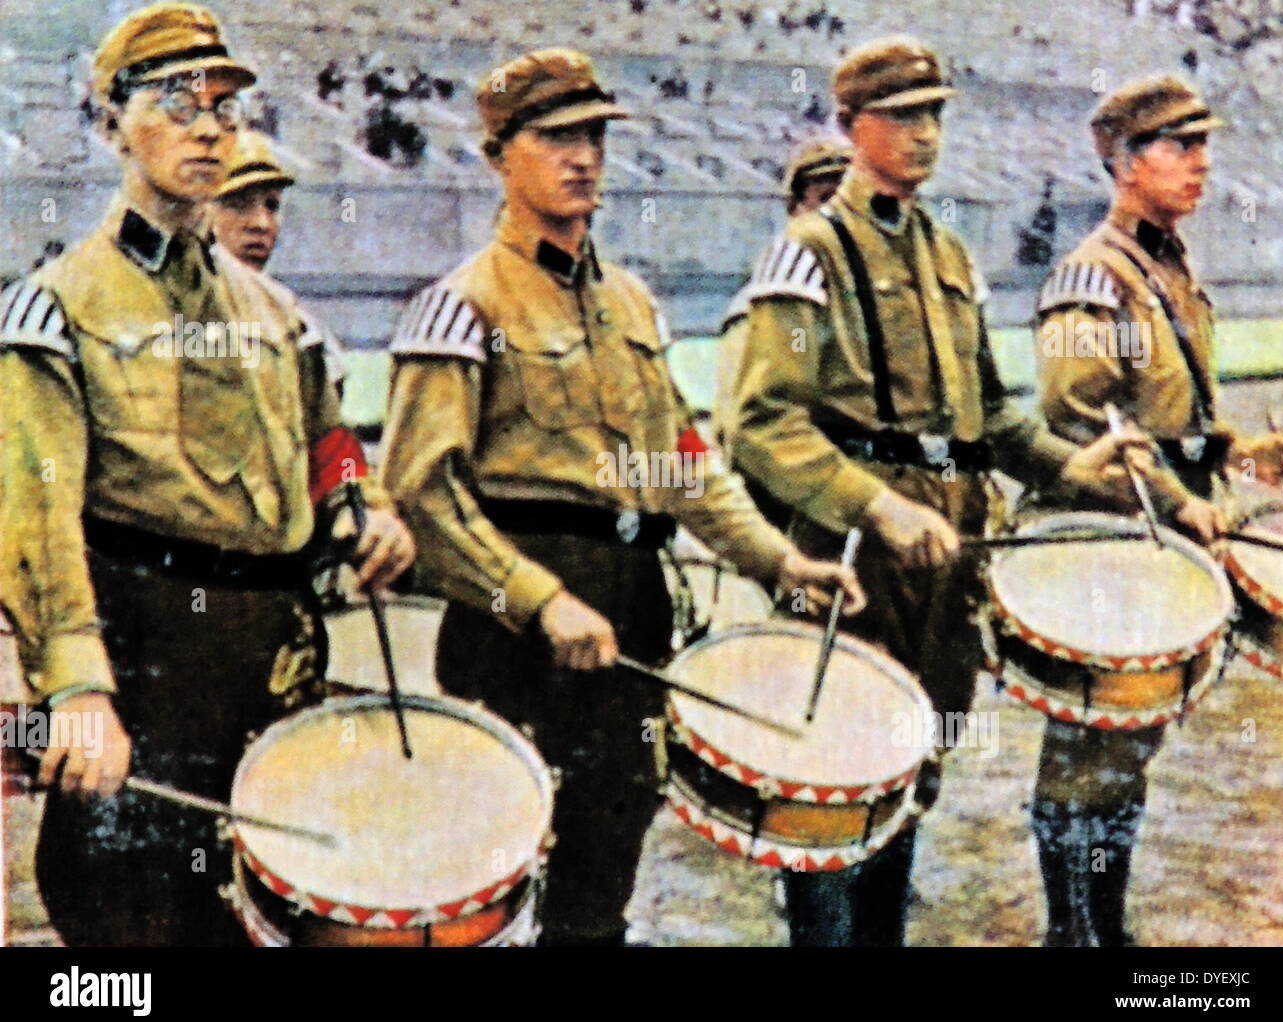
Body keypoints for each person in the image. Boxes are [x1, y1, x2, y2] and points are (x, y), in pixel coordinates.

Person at [377, 48, 864, 948]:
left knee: (604, 870)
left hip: (632, 609)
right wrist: (539, 601)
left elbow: (684, 466)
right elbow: (419, 496)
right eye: (556, 136)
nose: (584, 156)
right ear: (497, 155)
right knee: (495, 879)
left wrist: (778, 560)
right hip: (513, 621)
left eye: (595, 136)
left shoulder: (632, 306)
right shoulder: (460, 305)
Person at [728, 36, 1161, 947]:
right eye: (901, 116)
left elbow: (991, 417)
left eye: (935, 115)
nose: (924, 134)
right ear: (850, 127)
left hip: (949, 553)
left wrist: (1063, 466)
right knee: (837, 789)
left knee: (915, 771)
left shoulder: (950, 255)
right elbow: (763, 425)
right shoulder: (807, 257)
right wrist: (875, 504)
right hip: (856, 555)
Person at [0, 3, 413, 947]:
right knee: (129, 930)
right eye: (177, 103)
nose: (208, 127)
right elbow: (36, 515)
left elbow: (330, 442)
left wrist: (363, 508)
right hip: (146, 672)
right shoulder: (55, 307)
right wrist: (76, 690)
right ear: (111, 123)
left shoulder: (279, 314)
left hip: (274, 672)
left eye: (225, 106)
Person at [1030, 74, 1283, 946]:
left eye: (1203, 145)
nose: (1201, 163)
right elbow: (1081, 425)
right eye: (1179, 147)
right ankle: (1076, 933)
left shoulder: (1166, 267)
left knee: (1125, 743)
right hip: (1108, 542)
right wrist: (1186, 501)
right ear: (1122, 162)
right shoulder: (1091, 277)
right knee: (1088, 753)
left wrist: (1230, 449)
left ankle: (1100, 927)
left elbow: (1164, 407)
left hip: (1157, 535)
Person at [716, 136, 850, 524]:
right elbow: (740, 437)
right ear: (795, 210)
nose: (838, 219)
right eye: (825, 200)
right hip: (808, 522)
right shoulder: (761, 307)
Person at [212, 130, 346, 396]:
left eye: (271, 206)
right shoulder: (166, 309)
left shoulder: (299, 324)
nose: (261, 224)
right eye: (239, 205)